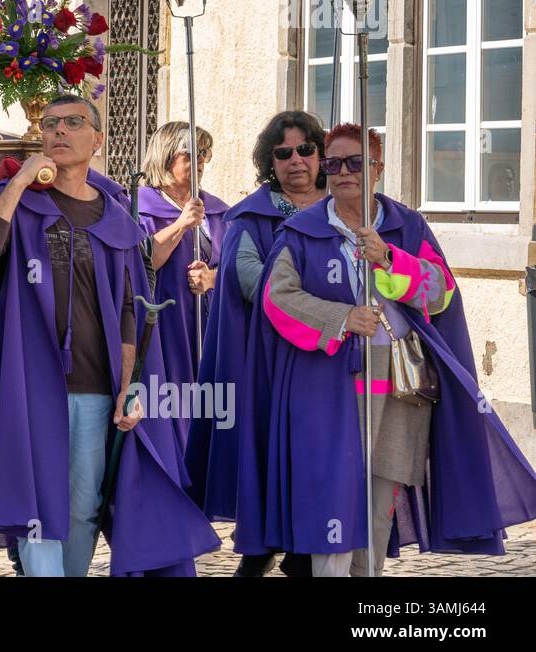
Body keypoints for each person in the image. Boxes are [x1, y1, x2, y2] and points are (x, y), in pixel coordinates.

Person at [0, 95, 221, 576]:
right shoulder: (19, 205)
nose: (59, 130)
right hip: (30, 383)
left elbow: (130, 308)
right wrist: (19, 179)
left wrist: (129, 384)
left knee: (83, 507)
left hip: (95, 385)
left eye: (73, 123)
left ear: (97, 140)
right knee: (39, 509)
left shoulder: (117, 218)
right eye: (51, 123)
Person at [236, 124, 536, 576]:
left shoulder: (405, 226)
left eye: (355, 163)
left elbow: (439, 293)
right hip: (325, 394)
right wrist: (340, 319)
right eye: (333, 163)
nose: (343, 173)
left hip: (397, 394)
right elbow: (277, 299)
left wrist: (390, 259)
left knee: (377, 516)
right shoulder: (301, 232)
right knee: (331, 510)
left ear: (377, 168)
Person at [183, 110, 327, 578]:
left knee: (321, 455)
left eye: (305, 149)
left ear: (320, 154)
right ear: (271, 161)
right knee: (271, 452)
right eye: (282, 153)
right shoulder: (251, 216)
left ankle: (307, 548)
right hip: (271, 361)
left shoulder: (345, 209)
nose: (296, 160)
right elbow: (251, 281)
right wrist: (322, 302)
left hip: (336, 362)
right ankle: (261, 547)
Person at [138, 121, 228, 447]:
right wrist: (181, 224)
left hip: (211, 331)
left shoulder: (219, 212)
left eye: (205, 153)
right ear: (166, 157)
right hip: (164, 330)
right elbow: (140, 263)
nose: (201, 160)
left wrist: (212, 278)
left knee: (213, 413)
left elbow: (237, 272)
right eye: (192, 152)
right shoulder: (139, 208)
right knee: (168, 413)